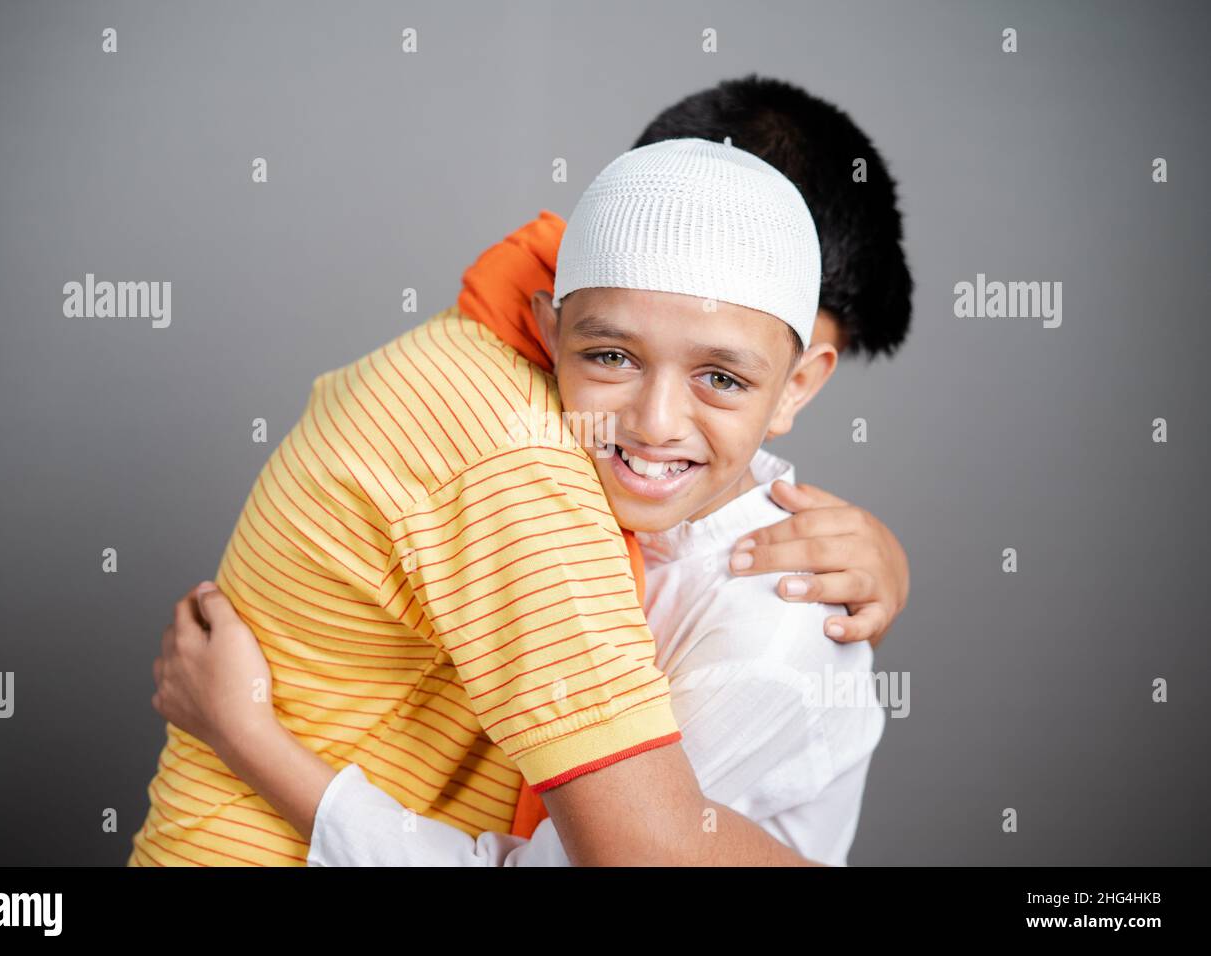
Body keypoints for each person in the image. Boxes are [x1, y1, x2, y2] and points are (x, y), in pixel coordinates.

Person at [131, 75, 913, 867]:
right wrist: (246, 736)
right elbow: (641, 848)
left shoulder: (775, 602)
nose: (656, 420)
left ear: (798, 379)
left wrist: (248, 736)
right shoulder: (522, 458)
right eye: (613, 352)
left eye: (725, 372)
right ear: (557, 316)